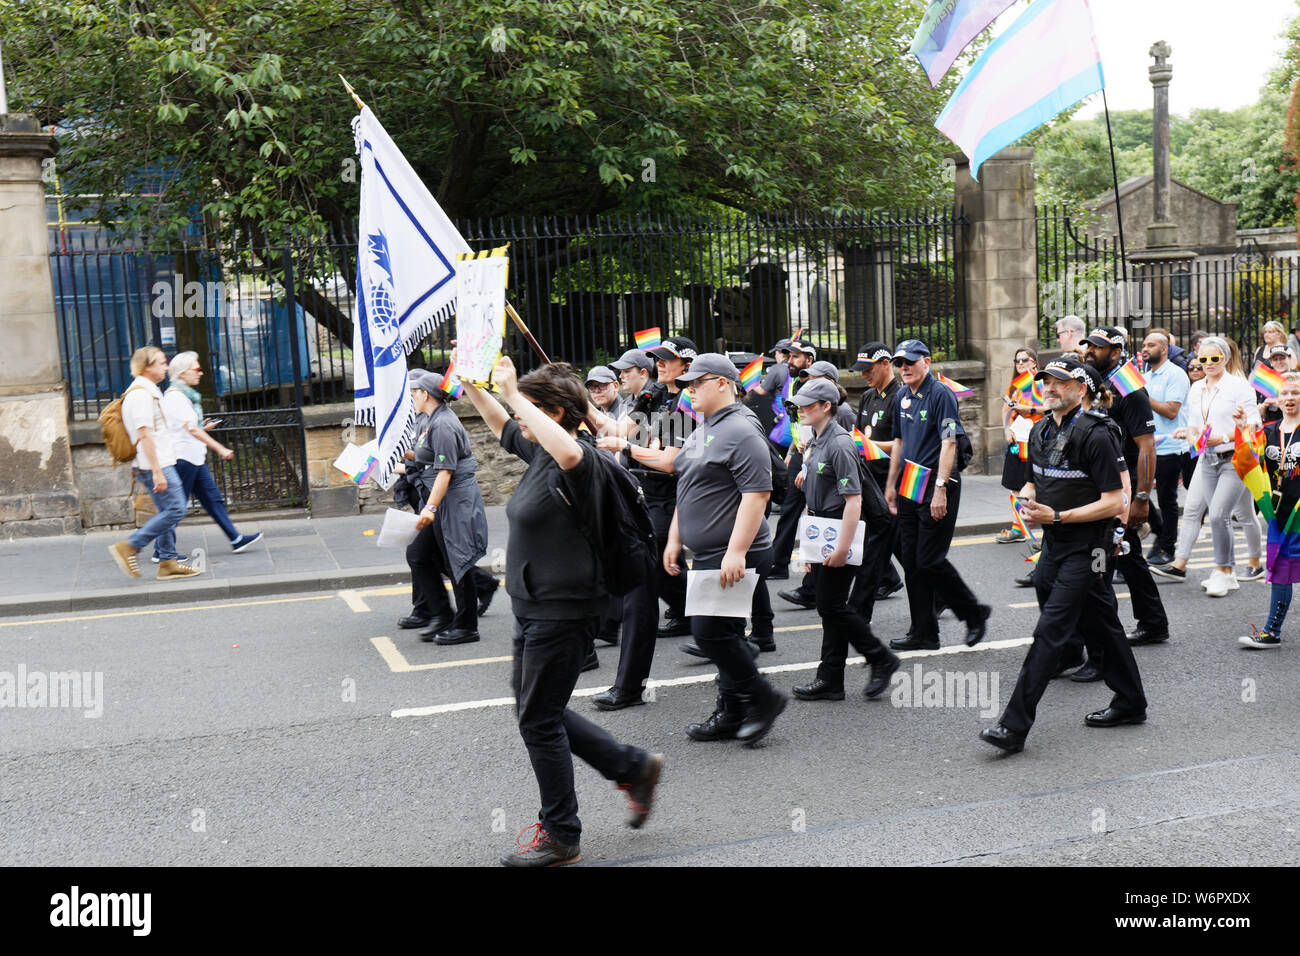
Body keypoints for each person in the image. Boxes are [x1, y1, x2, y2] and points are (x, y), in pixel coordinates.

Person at [461, 357, 663, 867]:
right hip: (533, 605)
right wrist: (474, 386)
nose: (521, 422)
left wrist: (513, 392)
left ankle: (561, 835)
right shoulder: (543, 454)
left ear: (553, 412)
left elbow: (569, 448)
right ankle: (631, 767)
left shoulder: (581, 461)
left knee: (538, 718)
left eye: (531, 411)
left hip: (565, 610)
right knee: (535, 708)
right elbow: (505, 428)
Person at [979, 355, 1148, 754]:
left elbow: (1113, 501)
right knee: (1102, 621)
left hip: (1089, 547)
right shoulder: (1039, 429)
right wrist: (1028, 500)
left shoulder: (1097, 434)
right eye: (1046, 382)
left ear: (1081, 388)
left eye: (1058, 382)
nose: (1049, 388)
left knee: (1049, 630)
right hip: (1055, 544)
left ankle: (1013, 726)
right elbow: (1036, 483)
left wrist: (1058, 515)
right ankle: (1131, 701)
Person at [667, 353, 787, 745]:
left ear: (721, 383)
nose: (689, 390)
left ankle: (763, 699)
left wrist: (736, 551)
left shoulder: (740, 430)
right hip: (709, 550)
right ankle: (732, 712)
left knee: (709, 632)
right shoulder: (708, 427)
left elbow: (757, 494)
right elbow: (686, 482)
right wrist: (675, 537)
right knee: (727, 632)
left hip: (734, 552)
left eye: (696, 383)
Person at [784, 378, 901, 701]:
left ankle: (880, 658)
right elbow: (813, 496)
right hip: (821, 530)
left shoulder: (839, 443)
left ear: (826, 407)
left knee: (830, 605)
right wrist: (808, 549)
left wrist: (843, 547)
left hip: (840, 531)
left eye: (808, 404)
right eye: (800, 404)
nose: (801, 410)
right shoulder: (817, 440)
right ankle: (832, 679)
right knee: (829, 606)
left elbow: (854, 501)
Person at [884, 339, 991, 650]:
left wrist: (940, 490)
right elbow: (899, 445)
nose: (903, 368)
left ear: (926, 362)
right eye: (900, 363)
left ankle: (973, 613)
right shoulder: (902, 395)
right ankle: (924, 633)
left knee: (929, 559)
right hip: (909, 483)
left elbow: (949, 443)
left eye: (910, 362)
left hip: (937, 482)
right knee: (913, 563)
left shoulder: (941, 394)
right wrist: (891, 486)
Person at [1077, 327, 1169, 658]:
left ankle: (1124, 631)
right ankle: (1153, 622)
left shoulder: (1130, 390)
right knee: (1128, 555)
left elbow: (1147, 448)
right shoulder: (1100, 384)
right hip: (1103, 482)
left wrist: (1143, 498)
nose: (1089, 351)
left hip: (1125, 486)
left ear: (1115, 353)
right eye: (1088, 345)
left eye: (1098, 348)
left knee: (1115, 555)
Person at [1153, 336, 1264, 596]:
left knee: (1218, 515)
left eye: (1215, 358)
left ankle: (1225, 570)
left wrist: (1228, 434)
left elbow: (1255, 424)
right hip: (1208, 459)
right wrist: (1192, 437)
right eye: (1204, 359)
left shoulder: (1238, 386)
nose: (1209, 363)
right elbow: (1194, 424)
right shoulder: (1197, 388)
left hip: (1235, 458)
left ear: (1225, 358)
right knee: (1204, 512)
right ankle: (1221, 571)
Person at [399, 369, 491, 645]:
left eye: (414, 393)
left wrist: (429, 508)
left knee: (458, 559)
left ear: (425, 394)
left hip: (453, 501)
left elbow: (445, 471)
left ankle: (466, 626)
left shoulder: (443, 425)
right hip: (441, 499)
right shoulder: (429, 420)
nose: (412, 397)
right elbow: (423, 456)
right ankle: (442, 614)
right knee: (418, 554)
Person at [154, 352, 263, 562]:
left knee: (213, 500)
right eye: (196, 369)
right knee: (176, 508)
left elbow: (189, 428)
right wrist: (220, 448)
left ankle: (236, 538)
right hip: (183, 459)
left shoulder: (184, 397)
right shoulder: (175, 398)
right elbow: (191, 431)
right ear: (183, 373)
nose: (201, 373)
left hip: (193, 457)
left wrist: (203, 427)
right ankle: (160, 550)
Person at [108, 347, 202, 581]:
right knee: (176, 509)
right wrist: (158, 472)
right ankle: (130, 546)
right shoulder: (140, 394)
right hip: (154, 465)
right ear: (147, 367)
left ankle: (168, 563)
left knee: (167, 510)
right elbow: (145, 435)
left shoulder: (149, 391)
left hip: (158, 462)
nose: (166, 366)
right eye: (161, 362)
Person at [1236, 372, 1300, 648]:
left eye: (1295, 393)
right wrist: (1241, 427)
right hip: (1280, 512)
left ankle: (1272, 630)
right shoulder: (1269, 430)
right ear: (1277, 398)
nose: (1289, 398)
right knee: (1280, 569)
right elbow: (1249, 458)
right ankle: (1271, 631)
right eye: (1285, 393)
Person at [853, 341, 905, 602]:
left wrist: (866, 445)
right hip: (869, 478)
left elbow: (901, 443)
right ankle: (889, 580)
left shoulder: (901, 397)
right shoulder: (867, 396)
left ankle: (862, 600)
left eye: (868, 369)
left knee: (885, 542)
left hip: (890, 481)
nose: (863, 375)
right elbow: (859, 433)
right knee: (889, 541)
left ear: (886, 364)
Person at [767, 339, 817, 580]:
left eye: (796, 357)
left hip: (818, 455)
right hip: (799, 453)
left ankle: (886, 575)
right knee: (789, 507)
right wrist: (790, 454)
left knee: (819, 511)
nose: (790, 361)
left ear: (810, 359)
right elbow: (795, 422)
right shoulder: (794, 384)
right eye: (788, 356)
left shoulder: (819, 386)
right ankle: (779, 563)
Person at [1140, 331, 1191, 567]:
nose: (1145, 348)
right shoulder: (1145, 376)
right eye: (1144, 345)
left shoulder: (1176, 374)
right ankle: (1161, 532)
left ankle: (1167, 548)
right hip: (1146, 446)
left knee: (1166, 499)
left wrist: (1141, 395)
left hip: (1170, 445)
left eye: (1152, 345)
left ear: (1165, 349)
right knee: (1137, 492)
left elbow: (1171, 411)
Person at [997, 348, 1045, 544]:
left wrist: (1030, 409)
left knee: (1040, 487)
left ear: (1034, 362)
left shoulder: (1042, 383)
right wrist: (1007, 429)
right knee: (1014, 485)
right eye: (1017, 361)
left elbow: (1052, 409)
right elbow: (1005, 410)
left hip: (1036, 443)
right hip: (1017, 443)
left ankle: (1049, 534)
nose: (1020, 364)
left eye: (1024, 360)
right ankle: (1019, 529)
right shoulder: (1015, 387)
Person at [1256, 345, 1292, 427]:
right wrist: (1264, 405)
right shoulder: (1267, 382)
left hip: (1293, 428)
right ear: (1271, 363)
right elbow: (1258, 413)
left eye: (1282, 358)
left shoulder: (1296, 379)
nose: (1279, 362)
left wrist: (1280, 405)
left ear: (1289, 358)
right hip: (1271, 428)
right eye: (1275, 360)